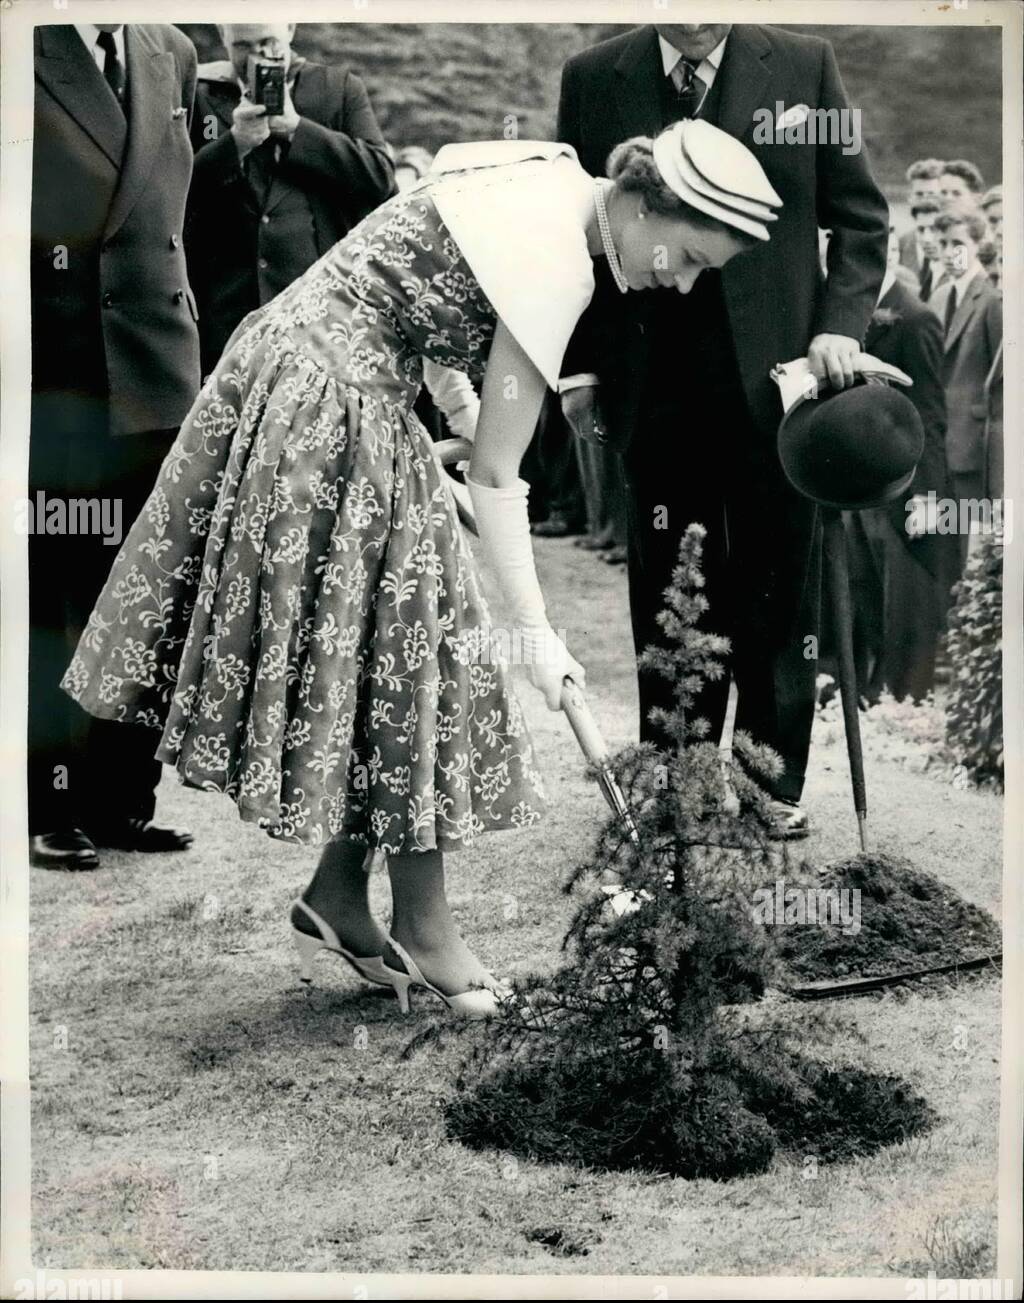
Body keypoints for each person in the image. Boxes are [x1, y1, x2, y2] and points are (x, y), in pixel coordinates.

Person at [60, 124, 776, 1016]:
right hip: (337, 408)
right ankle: (428, 932)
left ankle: (338, 896)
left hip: (294, 367)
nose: (682, 280)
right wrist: (536, 638)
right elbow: (498, 479)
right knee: (422, 660)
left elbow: (427, 289)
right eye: (690, 255)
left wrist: (467, 408)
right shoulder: (561, 268)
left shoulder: (540, 167)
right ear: (640, 202)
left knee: (389, 654)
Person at [556, 21, 889, 839]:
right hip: (653, 382)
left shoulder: (806, 66)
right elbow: (582, 228)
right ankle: (679, 775)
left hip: (780, 381)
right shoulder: (596, 73)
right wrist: (585, 365)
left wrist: (839, 325)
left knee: (777, 584)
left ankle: (764, 774)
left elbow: (860, 219)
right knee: (671, 583)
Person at [29, 21, 201, 870]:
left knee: (150, 596)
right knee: (61, 600)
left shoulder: (172, 50)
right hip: (58, 377)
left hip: (160, 369)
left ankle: (124, 802)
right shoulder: (24, 42)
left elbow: (182, 215)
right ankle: (50, 803)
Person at [185, 22, 395, 375]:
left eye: (268, 42)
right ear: (223, 39)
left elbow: (378, 176)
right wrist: (234, 144)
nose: (257, 57)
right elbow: (175, 188)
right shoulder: (198, 93)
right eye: (243, 46)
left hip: (321, 310)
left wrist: (297, 128)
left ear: (290, 30)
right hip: (224, 313)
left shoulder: (338, 88)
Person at [840, 225, 952, 702]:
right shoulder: (844, 312)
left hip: (904, 480)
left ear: (886, 250)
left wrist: (925, 494)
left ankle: (905, 691)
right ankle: (872, 686)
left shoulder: (916, 317)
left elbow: (930, 413)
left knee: (903, 595)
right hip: (859, 479)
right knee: (866, 586)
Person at [930, 209, 1003, 565]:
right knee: (945, 550)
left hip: (973, 447)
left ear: (978, 245)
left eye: (957, 243)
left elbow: (1000, 381)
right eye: (943, 243)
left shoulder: (990, 299)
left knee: (971, 546)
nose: (948, 251)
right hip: (938, 443)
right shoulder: (940, 295)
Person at [898, 158, 944, 273]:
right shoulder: (899, 244)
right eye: (919, 194)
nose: (925, 200)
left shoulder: (959, 243)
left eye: (932, 194)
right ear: (910, 198)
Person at [910, 197, 945, 303]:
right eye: (921, 230)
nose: (927, 238)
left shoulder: (958, 270)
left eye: (933, 229)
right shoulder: (930, 269)